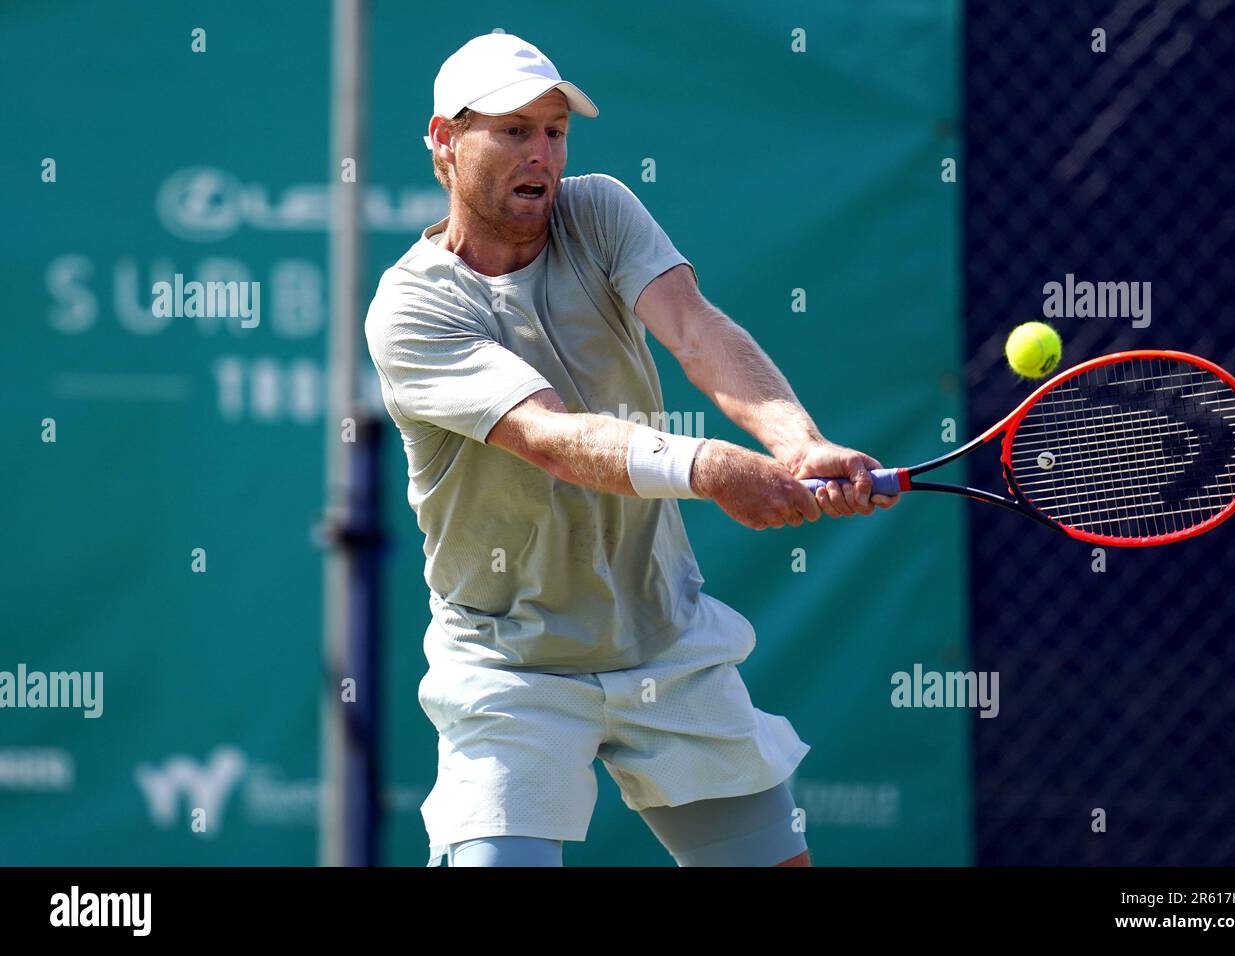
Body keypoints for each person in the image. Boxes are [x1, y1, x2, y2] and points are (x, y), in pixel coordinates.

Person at [365, 32, 897, 867]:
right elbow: (550, 437)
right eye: (512, 130)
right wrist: (714, 469)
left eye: (554, 129)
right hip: (512, 668)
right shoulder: (411, 308)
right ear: (444, 139)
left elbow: (694, 328)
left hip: (663, 639)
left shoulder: (601, 207)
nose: (542, 150)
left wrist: (798, 444)